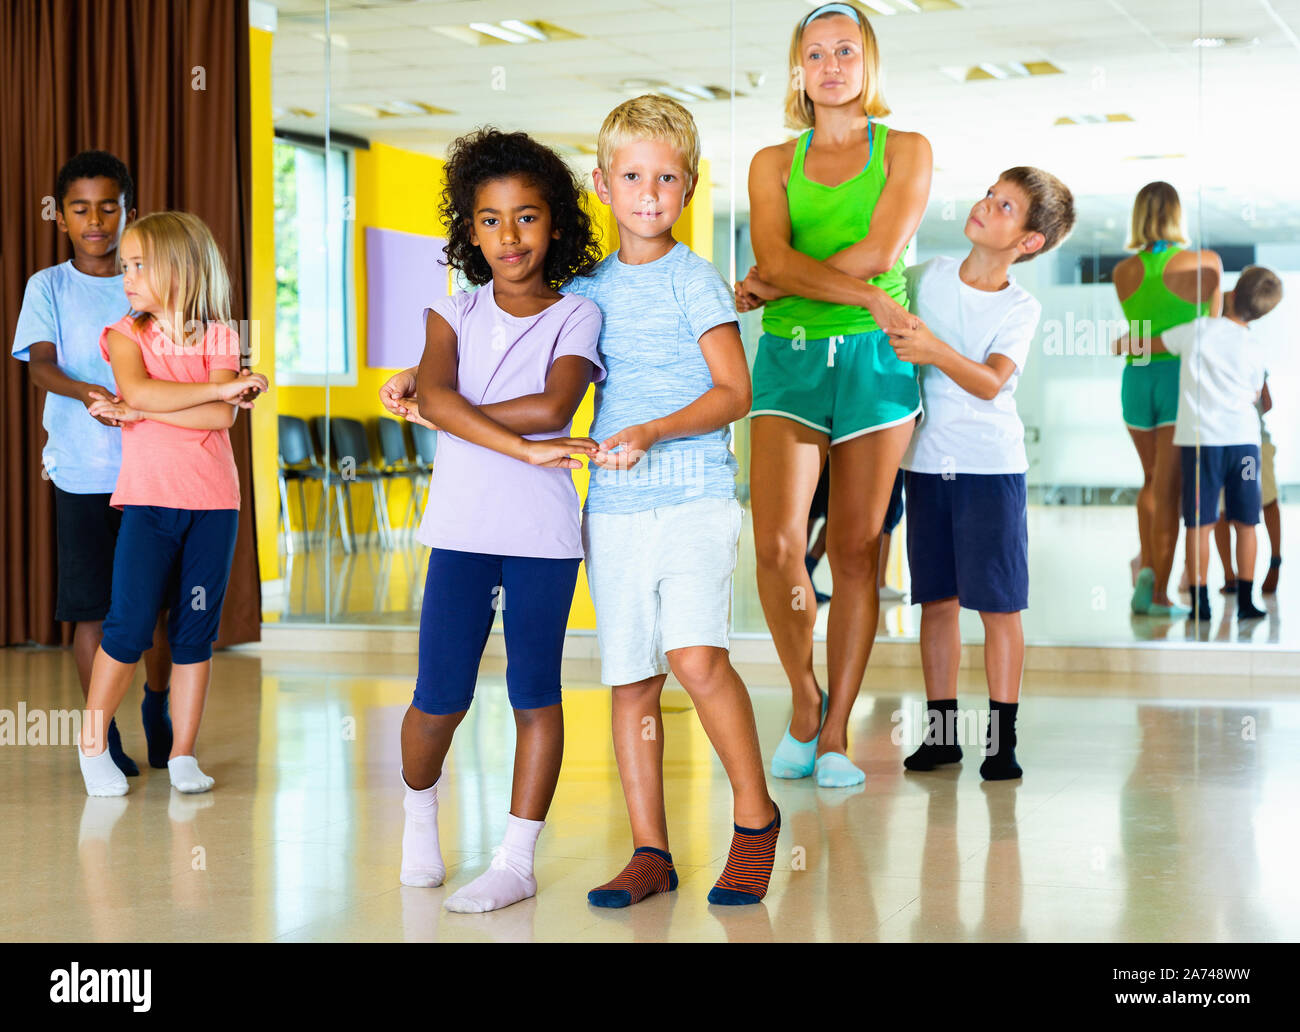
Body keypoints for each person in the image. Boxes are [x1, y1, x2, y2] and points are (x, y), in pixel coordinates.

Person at [378, 128, 605, 913]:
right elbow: (435, 398)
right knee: (439, 698)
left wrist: (457, 414)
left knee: (535, 693)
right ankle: (418, 810)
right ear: (468, 230)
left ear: (556, 223)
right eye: (491, 219)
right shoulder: (451, 314)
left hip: (543, 537)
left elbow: (554, 404)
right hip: (462, 535)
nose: (510, 237)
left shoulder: (578, 315)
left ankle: (516, 859)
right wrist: (523, 447)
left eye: (528, 217)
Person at [565, 94, 780, 908]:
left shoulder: (696, 281)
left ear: (688, 188)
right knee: (631, 679)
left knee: (695, 657)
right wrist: (428, 381)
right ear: (602, 184)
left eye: (666, 177)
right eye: (631, 175)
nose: (648, 192)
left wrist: (654, 429)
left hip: (692, 496)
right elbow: (532, 366)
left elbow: (735, 392)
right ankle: (650, 851)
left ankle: (755, 821)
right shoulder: (586, 289)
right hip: (615, 507)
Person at [736, 1, 931, 788]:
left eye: (845, 50)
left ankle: (841, 732)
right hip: (788, 359)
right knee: (779, 546)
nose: (831, 66)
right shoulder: (770, 162)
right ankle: (804, 697)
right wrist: (779, 276)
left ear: (869, 65)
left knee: (855, 551)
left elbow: (879, 248)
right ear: (798, 70)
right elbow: (770, 260)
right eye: (815, 53)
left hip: (876, 366)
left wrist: (780, 277)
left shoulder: (908, 150)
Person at [891, 167, 1075, 782]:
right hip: (926, 464)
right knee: (936, 603)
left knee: (998, 608)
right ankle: (942, 738)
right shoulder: (927, 277)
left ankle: (1002, 744)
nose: (985, 206)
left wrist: (933, 349)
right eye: (990, 195)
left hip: (991, 469)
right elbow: (865, 294)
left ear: (1029, 242)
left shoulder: (1022, 306)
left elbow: (992, 381)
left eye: (1004, 207)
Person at [75, 211, 267, 797]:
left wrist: (147, 413)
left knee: (194, 633)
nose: (126, 275)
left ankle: (182, 753)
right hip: (149, 503)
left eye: (138, 265)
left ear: (181, 268)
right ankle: (91, 742)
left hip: (213, 506)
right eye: (124, 265)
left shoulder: (224, 336)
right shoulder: (123, 334)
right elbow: (140, 389)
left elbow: (219, 419)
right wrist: (214, 387)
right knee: (129, 625)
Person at [10, 151, 174, 776]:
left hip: (155, 468)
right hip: (81, 472)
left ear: (129, 210)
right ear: (61, 217)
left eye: (109, 205)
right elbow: (42, 368)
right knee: (93, 611)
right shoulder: (47, 286)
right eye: (81, 208)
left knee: (152, 610)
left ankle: (156, 706)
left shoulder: (153, 278)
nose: (96, 220)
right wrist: (91, 394)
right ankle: (100, 737)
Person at [1123, 268, 1283, 622]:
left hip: (1201, 444)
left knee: (1199, 525)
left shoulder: (1198, 331)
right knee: (1246, 522)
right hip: (1244, 445)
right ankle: (1245, 601)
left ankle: (1201, 603)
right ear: (1262, 313)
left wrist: (1122, 343)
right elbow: (1258, 394)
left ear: (1232, 292)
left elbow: (1152, 345)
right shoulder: (1255, 346)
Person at [1114, 182, 1221, 617]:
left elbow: (1135, 343)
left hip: (1137, 384)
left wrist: (1140, 341)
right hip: (1183, 385)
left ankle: (1147, 573)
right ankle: (1155, 592)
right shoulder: (1206, 264)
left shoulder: (1124, 272)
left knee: (1151, 480)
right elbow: (1208, 338)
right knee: (1169, 490)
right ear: (1178, 214)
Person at [1214, 379, 1281, 595]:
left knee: (1230, 510)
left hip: (1233, 442)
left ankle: (1234, 577)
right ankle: (1237, 577)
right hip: (1244, 441)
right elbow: (1266, 402)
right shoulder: (1250, 350)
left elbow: (1266, 401)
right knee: (1252, 507)